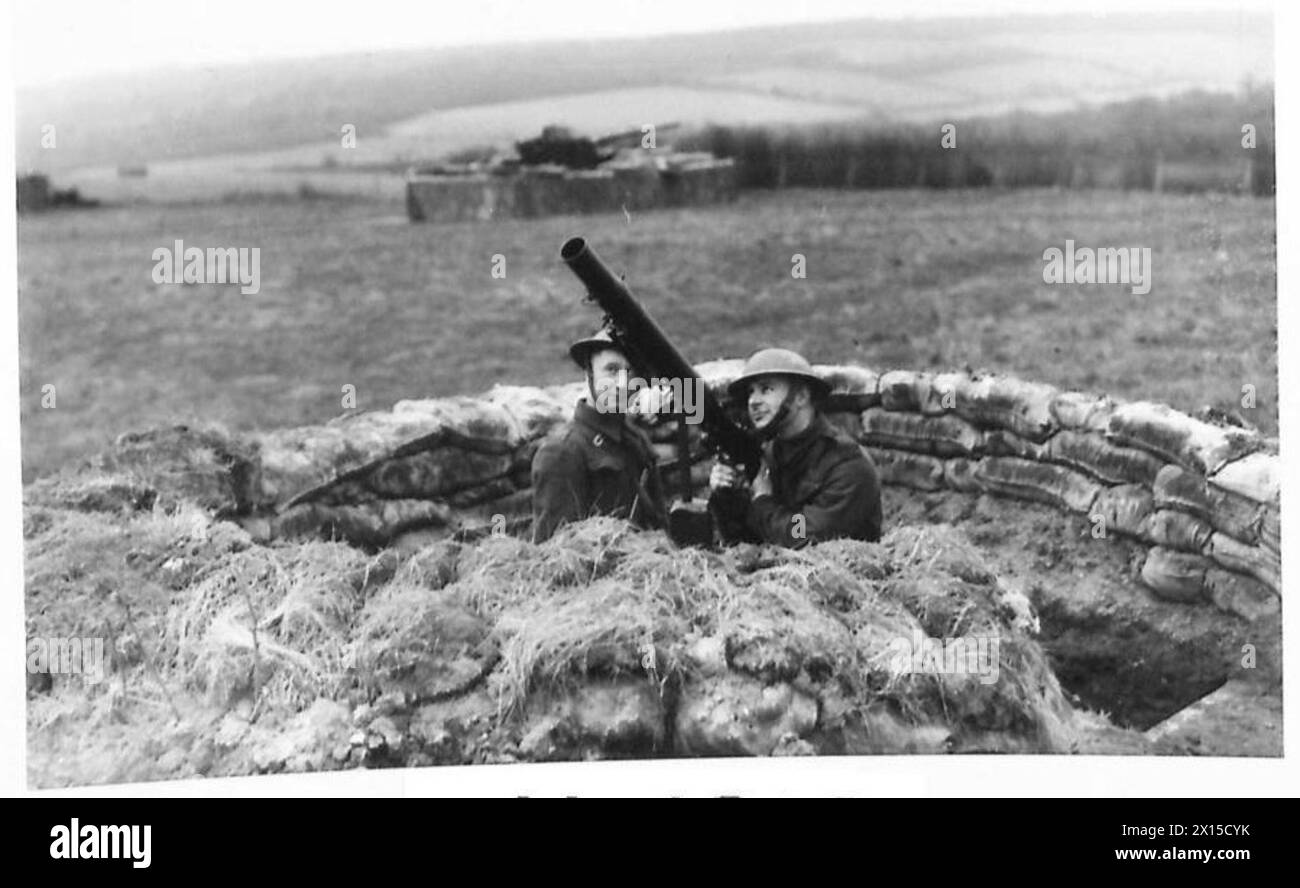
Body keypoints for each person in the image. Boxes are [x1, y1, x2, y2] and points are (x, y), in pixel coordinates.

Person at [708, 347, 882, 547]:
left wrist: (762, 501)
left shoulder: (847, 464)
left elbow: (802, 535)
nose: (753, 401)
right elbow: (747, 541)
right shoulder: (772, 454)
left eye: (766, 389)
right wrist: (727, 496)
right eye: (751, 392)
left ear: (801, 397)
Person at [530, 328, 669, 542]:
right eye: (612, 371)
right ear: (589, 374)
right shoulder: (563, 451)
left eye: (630, 372)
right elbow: (557, 558)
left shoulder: (636, 440)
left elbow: (659, 524)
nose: (622, 384)